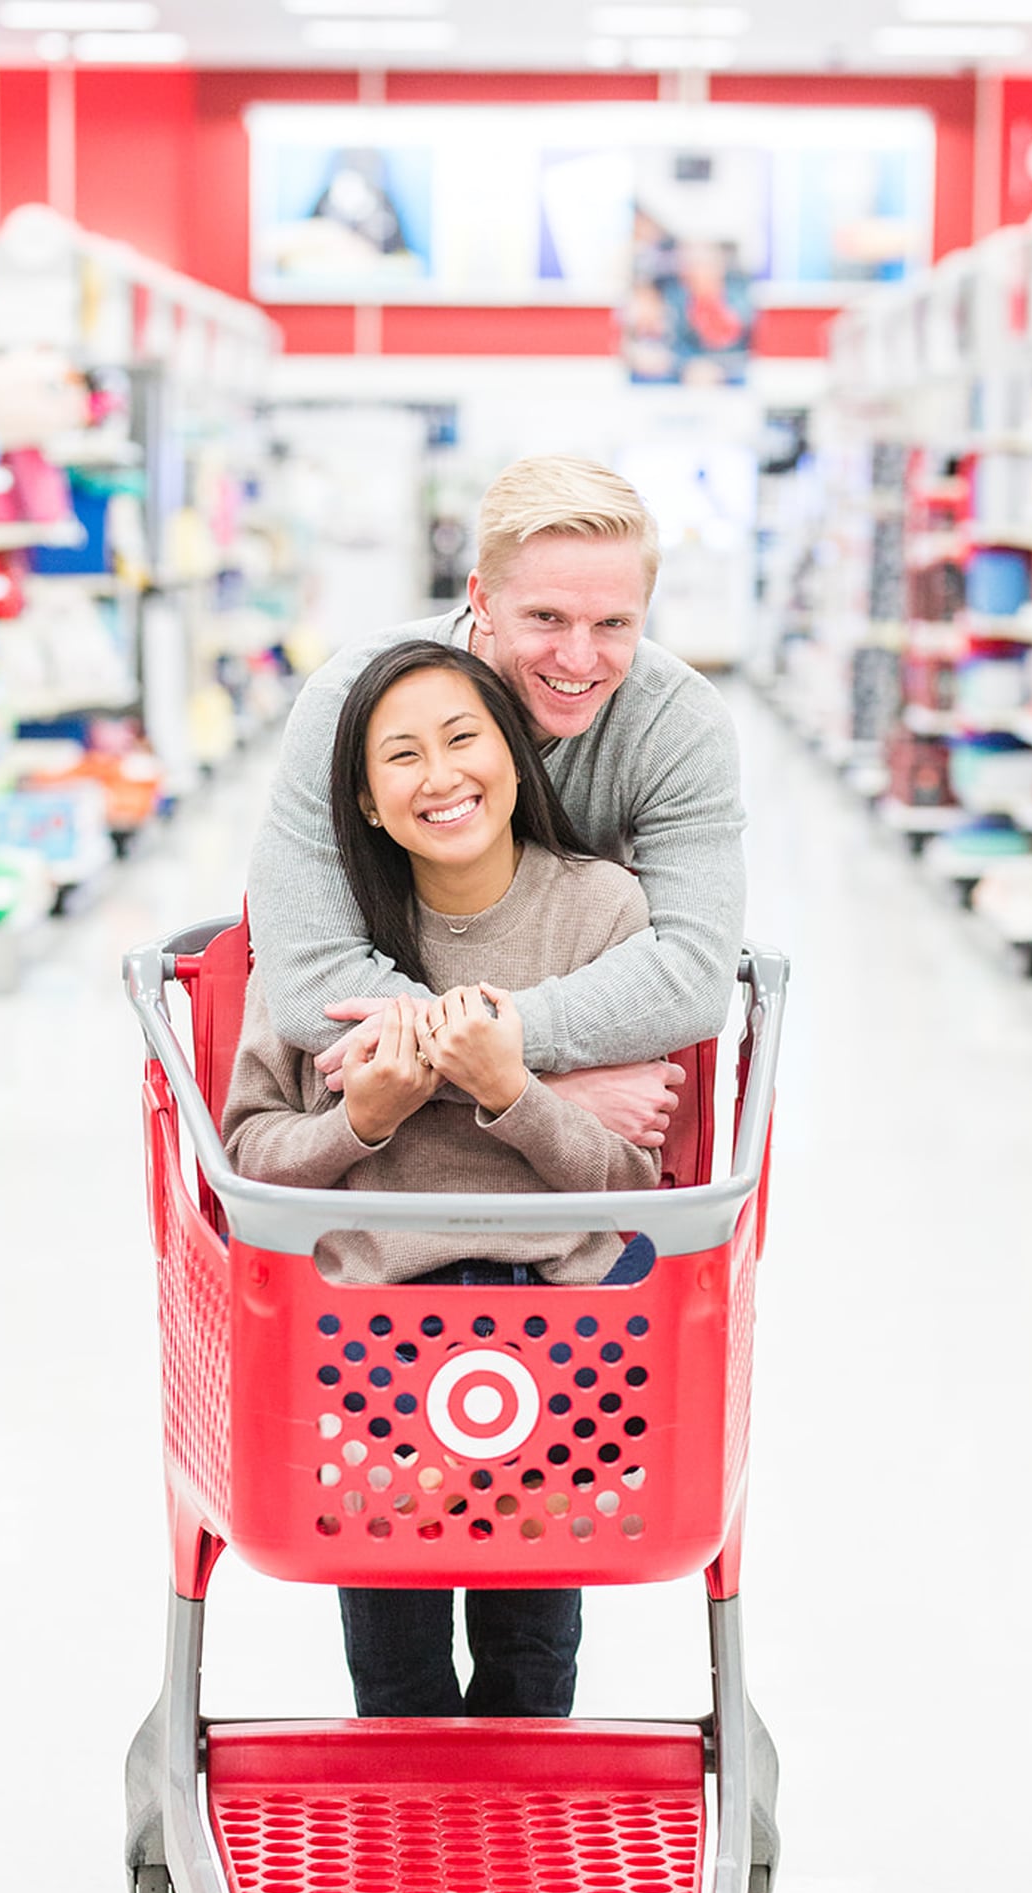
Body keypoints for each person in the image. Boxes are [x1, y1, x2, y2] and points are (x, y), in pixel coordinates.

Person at [223, 639, 660, 1720]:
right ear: (366, 804)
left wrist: (519, 1095)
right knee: (397, 1666)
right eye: (400, 756)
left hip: (560, 1327)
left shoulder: (601, 912)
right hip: (369, 1325)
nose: (441, 774)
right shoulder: (319, 934)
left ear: (514, 754)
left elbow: (633, 1174)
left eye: (463, 737)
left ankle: (510, 1841)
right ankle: (410, 1841)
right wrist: (359, 1123)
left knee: (531, 1653)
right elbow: (249, 1155)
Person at [244, 453, 746, 1153]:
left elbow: (691, 974)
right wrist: (525, 1092)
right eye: (546, 617)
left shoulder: (677, 726)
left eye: (613, 625)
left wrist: (503, 1050)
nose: (578, 658)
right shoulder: (349, 707)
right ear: (481, 598)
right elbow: (309, 981)